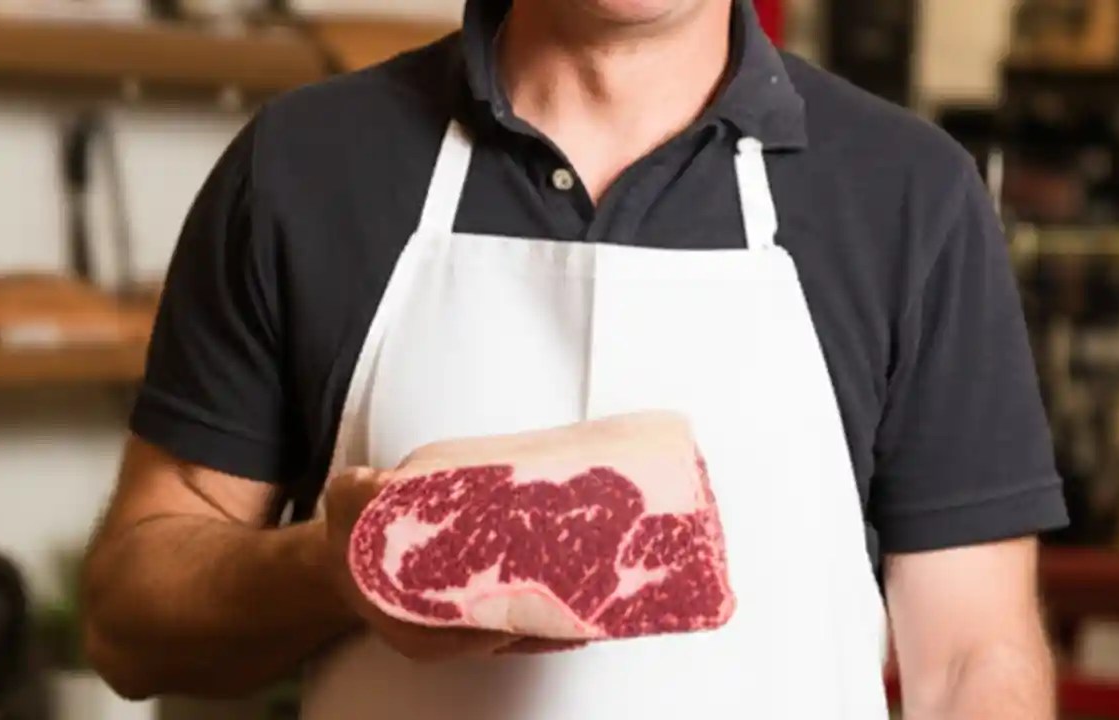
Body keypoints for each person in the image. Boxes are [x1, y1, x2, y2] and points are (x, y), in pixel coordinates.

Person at [81, 0, 1068, 717]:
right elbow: (129, 622)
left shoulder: (906, 195)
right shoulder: (306, 166)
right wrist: (334, 568)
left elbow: (969, 661)